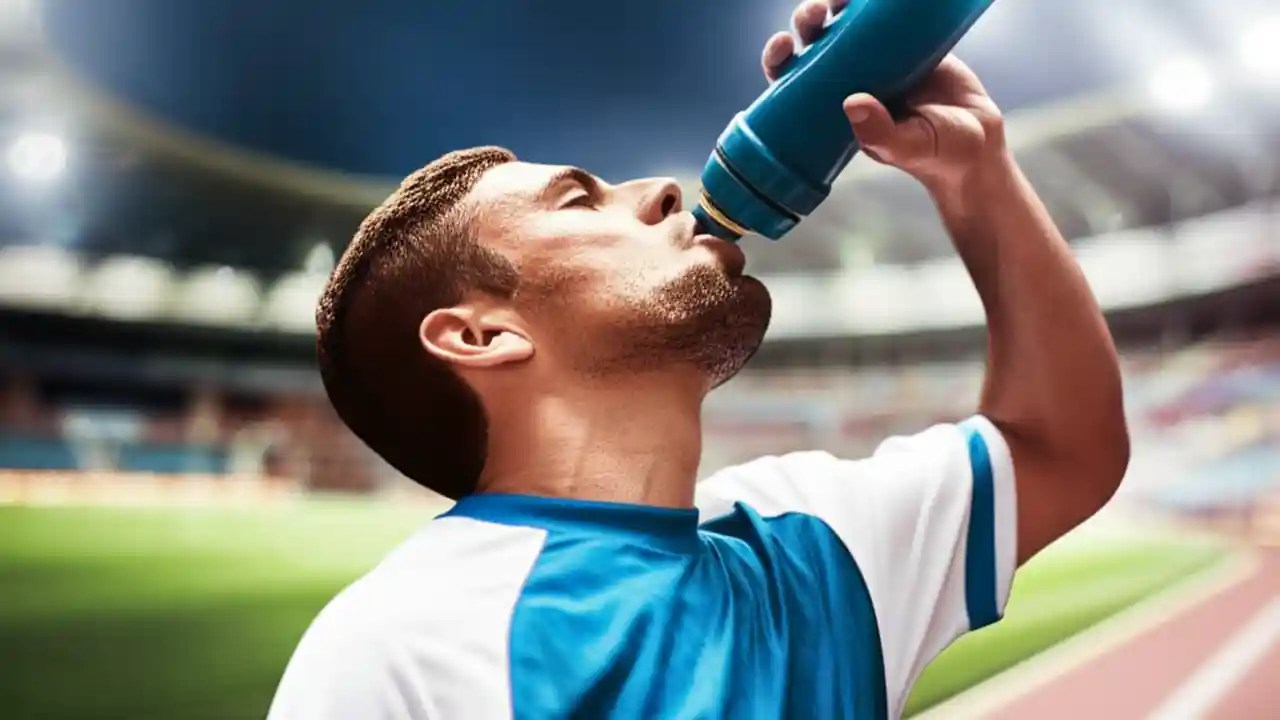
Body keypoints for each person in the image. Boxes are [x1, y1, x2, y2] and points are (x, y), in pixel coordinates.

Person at [267, 1, 1129, 717]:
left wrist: (979, 177)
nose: (663, 190)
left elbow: (1064, 447)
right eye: (580, 198)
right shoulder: (398, 649)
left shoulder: (813, 540)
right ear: (483, 336)